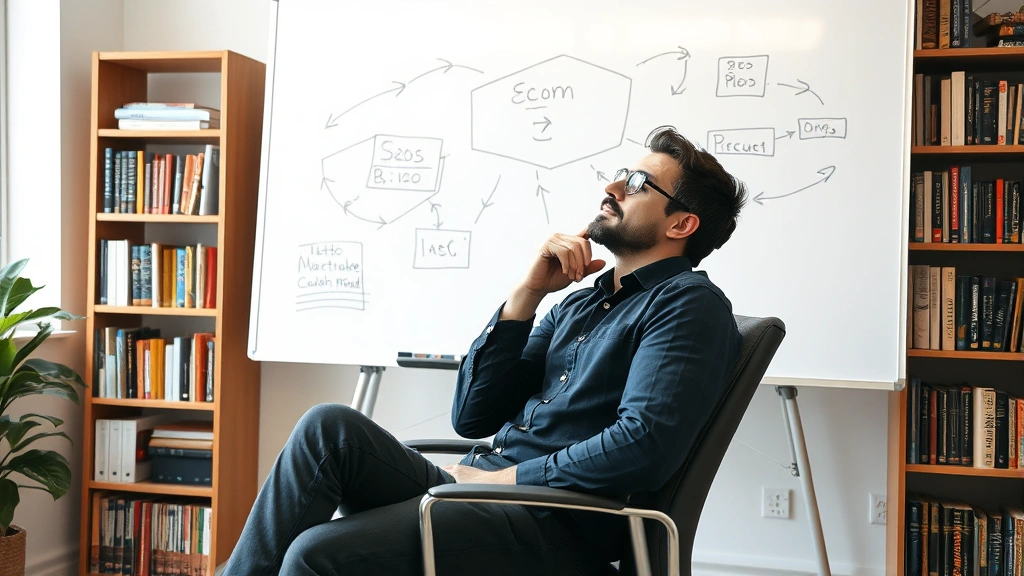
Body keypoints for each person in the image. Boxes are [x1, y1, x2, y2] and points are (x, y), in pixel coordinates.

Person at [221, 126, 748, 576]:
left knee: (315, 553)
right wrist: (527, 295)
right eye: (620, 175)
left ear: (681, 224)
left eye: (636, 183)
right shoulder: (581, 304)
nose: (612, 188)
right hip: (487, 493)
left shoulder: (687, 305)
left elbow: (644, 445)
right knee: (328, 428)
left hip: (556, 522)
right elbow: (473, 416)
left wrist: (505, 478)